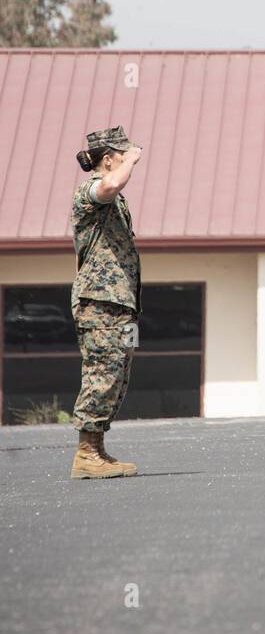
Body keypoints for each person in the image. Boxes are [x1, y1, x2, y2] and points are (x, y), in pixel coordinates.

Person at [69, 126, 143, 480]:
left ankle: (96, 449)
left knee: (117, 374)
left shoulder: (114, 199)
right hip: (99, 303)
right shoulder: (90, 191)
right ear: (108, 159)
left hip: (120, 305)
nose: (131, 160)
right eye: (123, 154)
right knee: (101, 373)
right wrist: (129, 160)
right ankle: (85, 454)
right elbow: (111, 185)